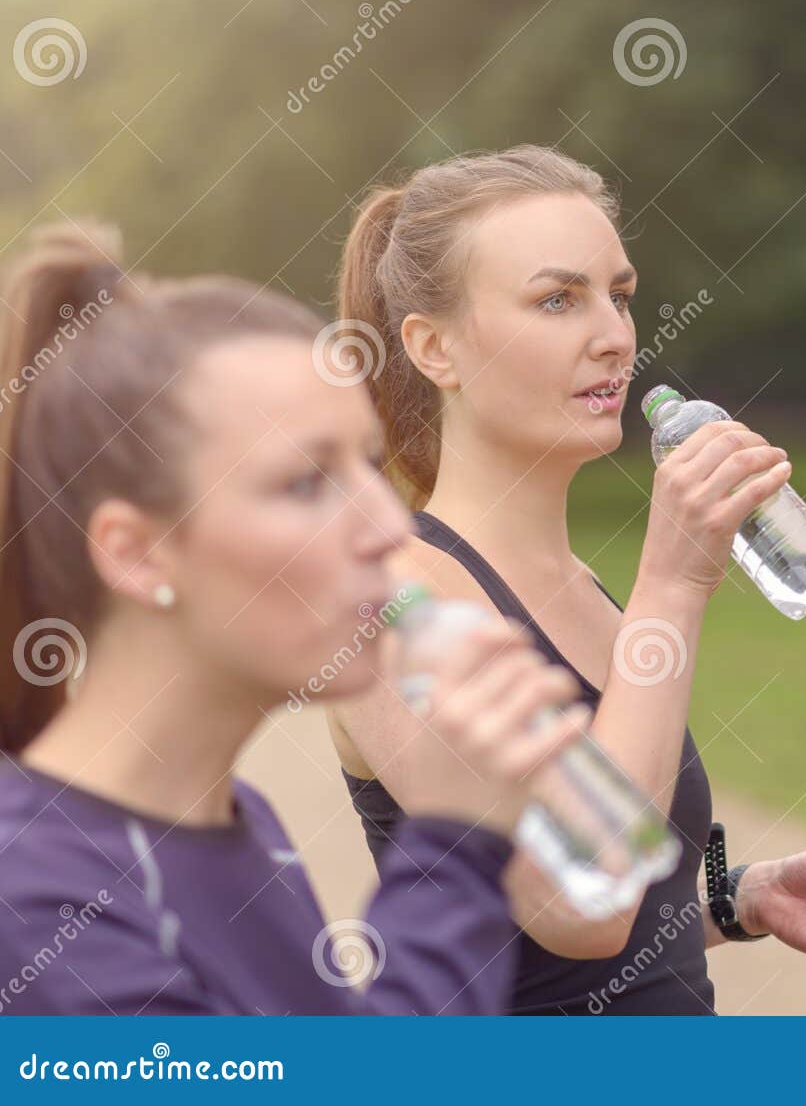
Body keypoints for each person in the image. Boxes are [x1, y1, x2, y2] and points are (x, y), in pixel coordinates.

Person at [329, 144, 806, 1014]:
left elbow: (593, 934)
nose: (614, 336)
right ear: (434, 348)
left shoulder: (581, 587)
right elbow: (577, 907)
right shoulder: (392, 603)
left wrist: (737, 898)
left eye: (621, 294)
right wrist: (674, 588)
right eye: (558, 299)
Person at [0, 222, 588, 1014]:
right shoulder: (34, 903)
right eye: (306, 483)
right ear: (137, 553)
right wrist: (455, 842)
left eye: (370, 466)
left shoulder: (237, 823)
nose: (387, 527)